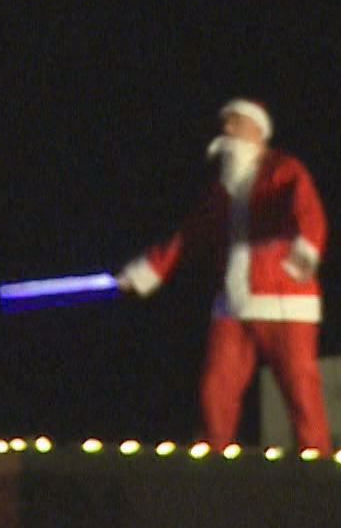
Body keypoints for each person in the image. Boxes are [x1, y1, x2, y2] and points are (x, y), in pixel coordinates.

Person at [117, 97, 330, 450]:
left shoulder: (285, 169)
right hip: (233, 300)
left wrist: (304, 251)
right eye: (224, 124)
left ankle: (318, 461)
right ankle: (215, 457)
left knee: (299, 387)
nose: (226, 130)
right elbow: (189, 237)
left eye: (235, 123)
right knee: (217, 386)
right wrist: (146, 271)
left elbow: (308, 211)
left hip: (284, 299)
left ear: (258, 131)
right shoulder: (221, 192)